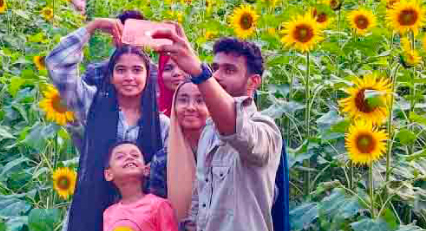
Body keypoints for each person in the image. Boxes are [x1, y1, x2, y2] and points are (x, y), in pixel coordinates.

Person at [153, 27, 287, 231]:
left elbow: (236, 128)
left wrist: (199, 72)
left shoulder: (266, 129)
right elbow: (201, 199)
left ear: (254, 82)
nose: (216, 75)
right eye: (214, 67)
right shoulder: (209, 130)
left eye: (229, 70)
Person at [46, 18, 170, 231]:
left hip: (141, 220)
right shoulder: (91, 106)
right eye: (121, 70)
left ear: (148, 76)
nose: (129, 77)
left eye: (137, 70)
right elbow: (57, 64)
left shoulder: (162, 124)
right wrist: (92, 27)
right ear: (111, 77)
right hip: (90, 209)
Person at [148, 81, 210, 223]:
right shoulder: (163, 160)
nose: (190, 107)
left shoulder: (223, 153)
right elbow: (157, 213)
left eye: (200, 100)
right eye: (183, 100)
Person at [102, 141, 179, 231]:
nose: (129, 157)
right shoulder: (108, 213)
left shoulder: (159, 206)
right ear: (108, 174)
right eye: (120, 157)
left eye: (135, 155)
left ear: (146, 169)